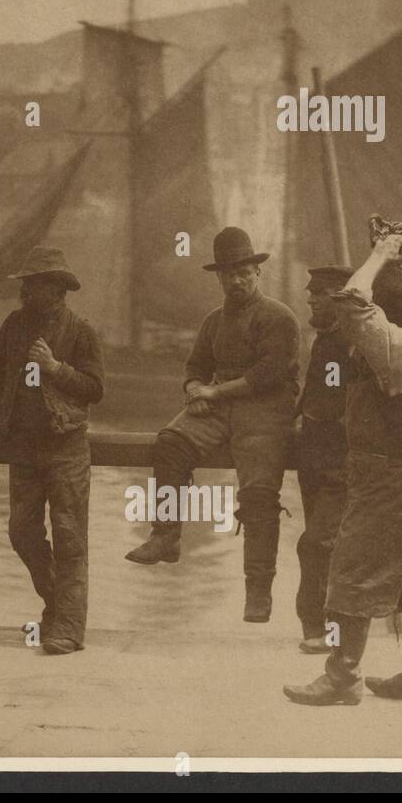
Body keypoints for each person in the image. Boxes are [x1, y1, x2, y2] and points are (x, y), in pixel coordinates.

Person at [285, 234, 402, 706]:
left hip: (389, 483)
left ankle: (342, 678)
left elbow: (355, 303)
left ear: (390, 312)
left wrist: (380, 255)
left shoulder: (397, 347)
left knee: (349, 575)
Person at [125, 226, 300, 623]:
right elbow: (195, 367)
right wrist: (194, 389)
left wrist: (215, 394)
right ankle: (166, 535)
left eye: (244, 272)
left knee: (257, 495)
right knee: (170, 442)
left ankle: (258, 592)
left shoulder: (279, 317)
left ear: (258, 273)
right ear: (219, 278)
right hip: (220, 408)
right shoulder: (213, 321)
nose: (236, 280)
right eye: (228, 274)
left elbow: (270, 374)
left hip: (266, 410)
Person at [0, 247, 105, 655]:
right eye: (25, 283)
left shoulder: (81, 331)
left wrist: (55, 368)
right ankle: (58, 606)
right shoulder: (13, 326)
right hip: (23, 446)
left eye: (34, 284)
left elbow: (95, 389)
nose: (26, 290)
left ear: (56, 289)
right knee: (21, 532)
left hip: (66, 447)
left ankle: (68, 629)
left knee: (70, 538)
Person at [294, 265, 354, 654]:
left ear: (339, 299)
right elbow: (315, 393)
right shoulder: (323, 341)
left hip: (343, 459)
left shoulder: (354, 342)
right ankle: (320, 632)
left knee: (318, 543)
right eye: (312, 293)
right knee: (321, 544)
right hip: (312, 455)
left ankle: (326, 630)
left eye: (320, 294)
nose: (312, 299)